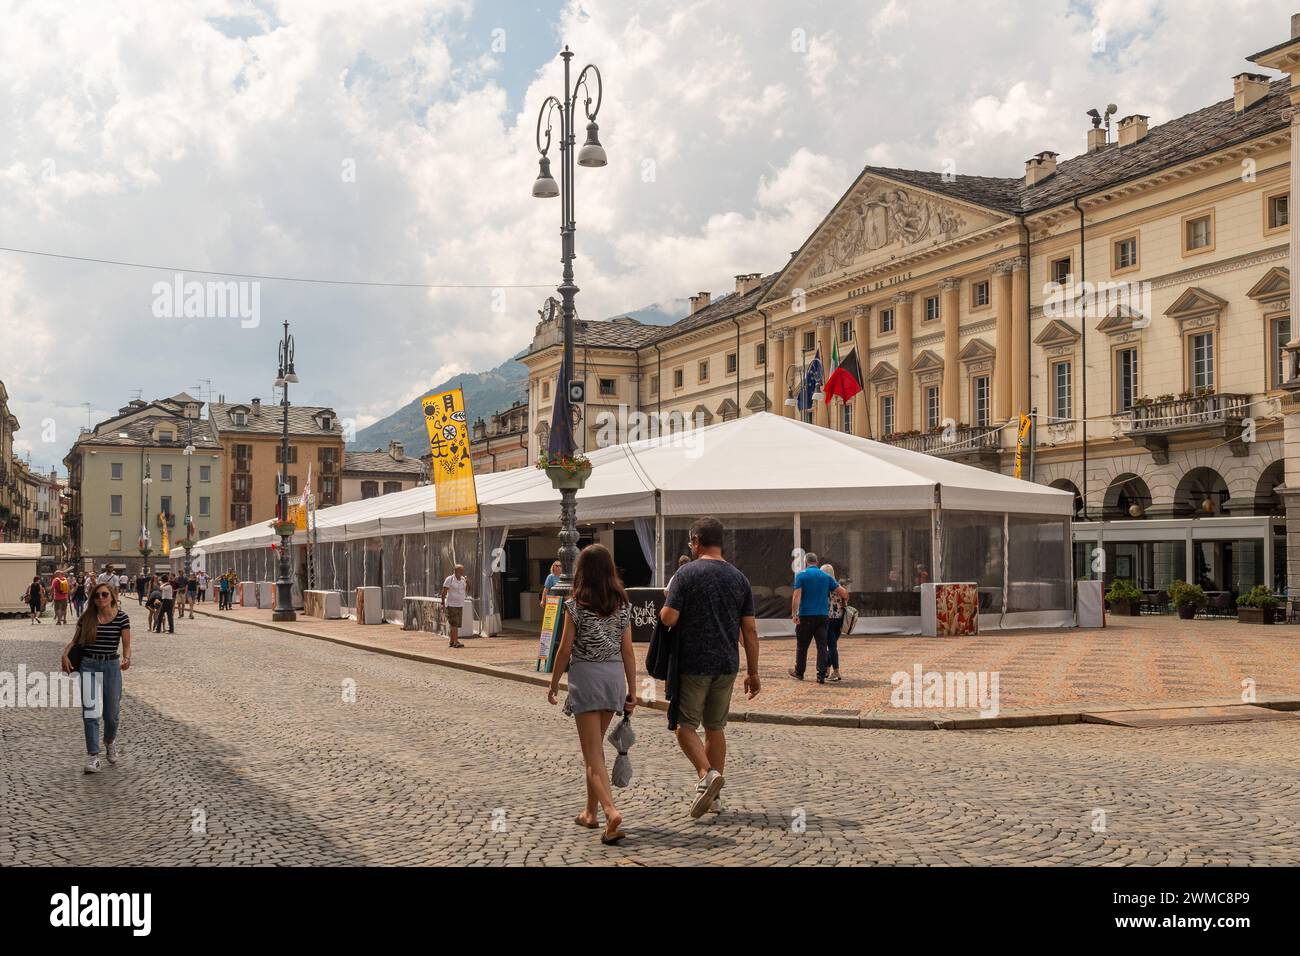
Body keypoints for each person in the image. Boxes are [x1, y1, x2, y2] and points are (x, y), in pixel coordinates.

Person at [659, 516, 760, 818]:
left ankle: (707, 775)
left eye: (691, 541)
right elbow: (750, 631)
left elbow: (668, 618)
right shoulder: (739, 578)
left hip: (694, 663)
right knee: (715, 728)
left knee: (683, 726)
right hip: (727, 663)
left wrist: (667, 606)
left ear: (697, 541)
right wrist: (753, 672)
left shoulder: (686, 574)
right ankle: (713, 799)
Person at [545, 544, 637, 846]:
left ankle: (611, 813)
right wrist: (632, 691)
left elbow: (564, 649)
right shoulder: (622, 606)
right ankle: (590, 813)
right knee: (595, 751)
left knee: (591, 755)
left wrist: (553, 682)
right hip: (613, 680)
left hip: (586, 678)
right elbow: (628, 652)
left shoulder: (575, 606)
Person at [61, 582, 131, 774]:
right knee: (90, 712)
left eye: (104, 594)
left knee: (112, 714)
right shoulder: (87, 618)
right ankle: (93, 756)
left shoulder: (122, 618)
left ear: (112, 597)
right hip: (88, 666)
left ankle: (109, 741)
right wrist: (65, 654)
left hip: (111, 666)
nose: (100, 598)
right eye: (97, 595)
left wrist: (127, 658)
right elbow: (74, 641)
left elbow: (126, 644)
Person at [789, 552, 849, 685]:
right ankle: (821, 675)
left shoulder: (801, 576)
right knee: (822, 646)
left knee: (802, 646)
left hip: (806, 616)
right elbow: (844, 593)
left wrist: (794, 614)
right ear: (816, 562)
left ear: (805, 562)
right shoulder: (826, 576)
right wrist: (845, 600)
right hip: (822, 616)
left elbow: (796, 597)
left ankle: (799, 672)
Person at [823, 563, 846, 682]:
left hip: (829, 619)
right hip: (839, 618)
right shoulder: (838, 585)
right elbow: (846, 597)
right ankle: (827, 669)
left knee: (831, 646)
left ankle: (836, 671)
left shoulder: (824, 586)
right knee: (832, 645)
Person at [440, 564, 471, 648]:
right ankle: (456, 642)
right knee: (454, 623)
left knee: (455, 624)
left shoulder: (463, 579)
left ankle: (451, 641)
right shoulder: (449, 579)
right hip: (451, 605)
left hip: (460, 604)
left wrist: (467, 582)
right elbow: (444, 592)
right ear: (456, 571)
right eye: (461, 570)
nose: (463, 572)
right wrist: (442, 603)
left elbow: (468, 589)